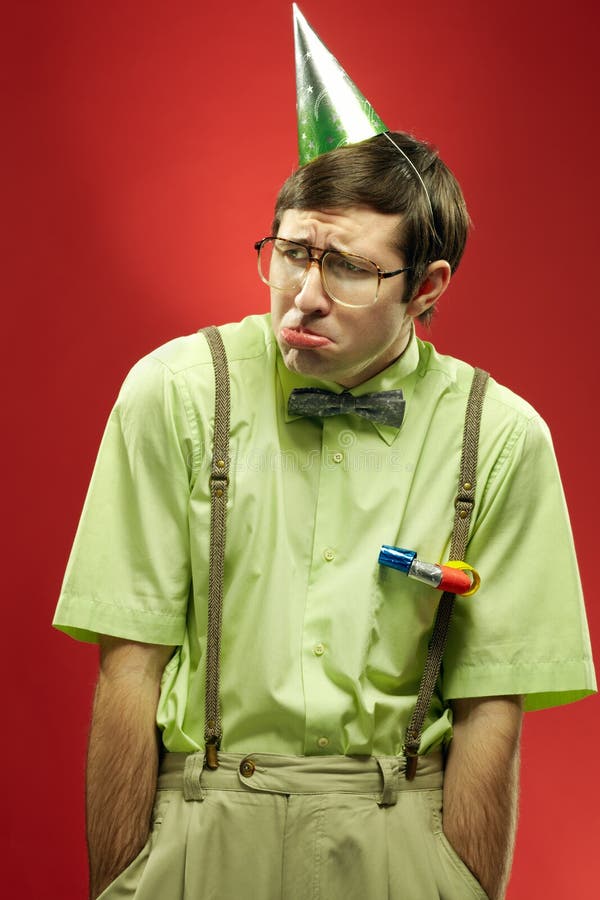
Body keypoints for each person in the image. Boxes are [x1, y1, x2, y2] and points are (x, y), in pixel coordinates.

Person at [53, 10, 595, 900]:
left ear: (425, 287)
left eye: (344, 267)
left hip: (397, 836)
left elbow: (491, 707)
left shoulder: (498, 439)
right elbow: (129, 666)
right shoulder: (178, 392)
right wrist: (121, 886)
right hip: (201, 830)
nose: (302, 296)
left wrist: (456, 887)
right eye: (291, 252)